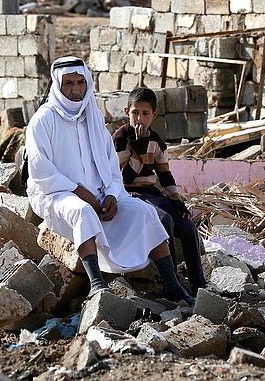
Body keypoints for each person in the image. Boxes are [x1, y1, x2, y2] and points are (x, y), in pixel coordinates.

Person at [25, 56, 194, 304]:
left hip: (101, 193)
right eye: (69, 83)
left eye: (80, 83)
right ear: (58, 85)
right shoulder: (43, 120)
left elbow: (112, 168)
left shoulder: (93, 118)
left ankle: (173, 286)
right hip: (57, 193)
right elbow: (41, 171)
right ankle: (97, 284)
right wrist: (81, 193)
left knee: (145, 212)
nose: (75, 90)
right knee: (82, 211)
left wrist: (113, 195)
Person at [112, 87, 208, 295]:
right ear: (127, 112)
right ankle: (172, 282)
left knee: (187, 226)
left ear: (154, 115)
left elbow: (164, 174)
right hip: (127, 195)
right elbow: (124, 177)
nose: (139, 118)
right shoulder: (120, 139)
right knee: (164, 220)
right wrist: (139, 148)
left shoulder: (156, 141)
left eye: (145, 114)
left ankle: (198, 282)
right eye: (135, 113)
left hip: (152, 195)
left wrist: (177, 200)